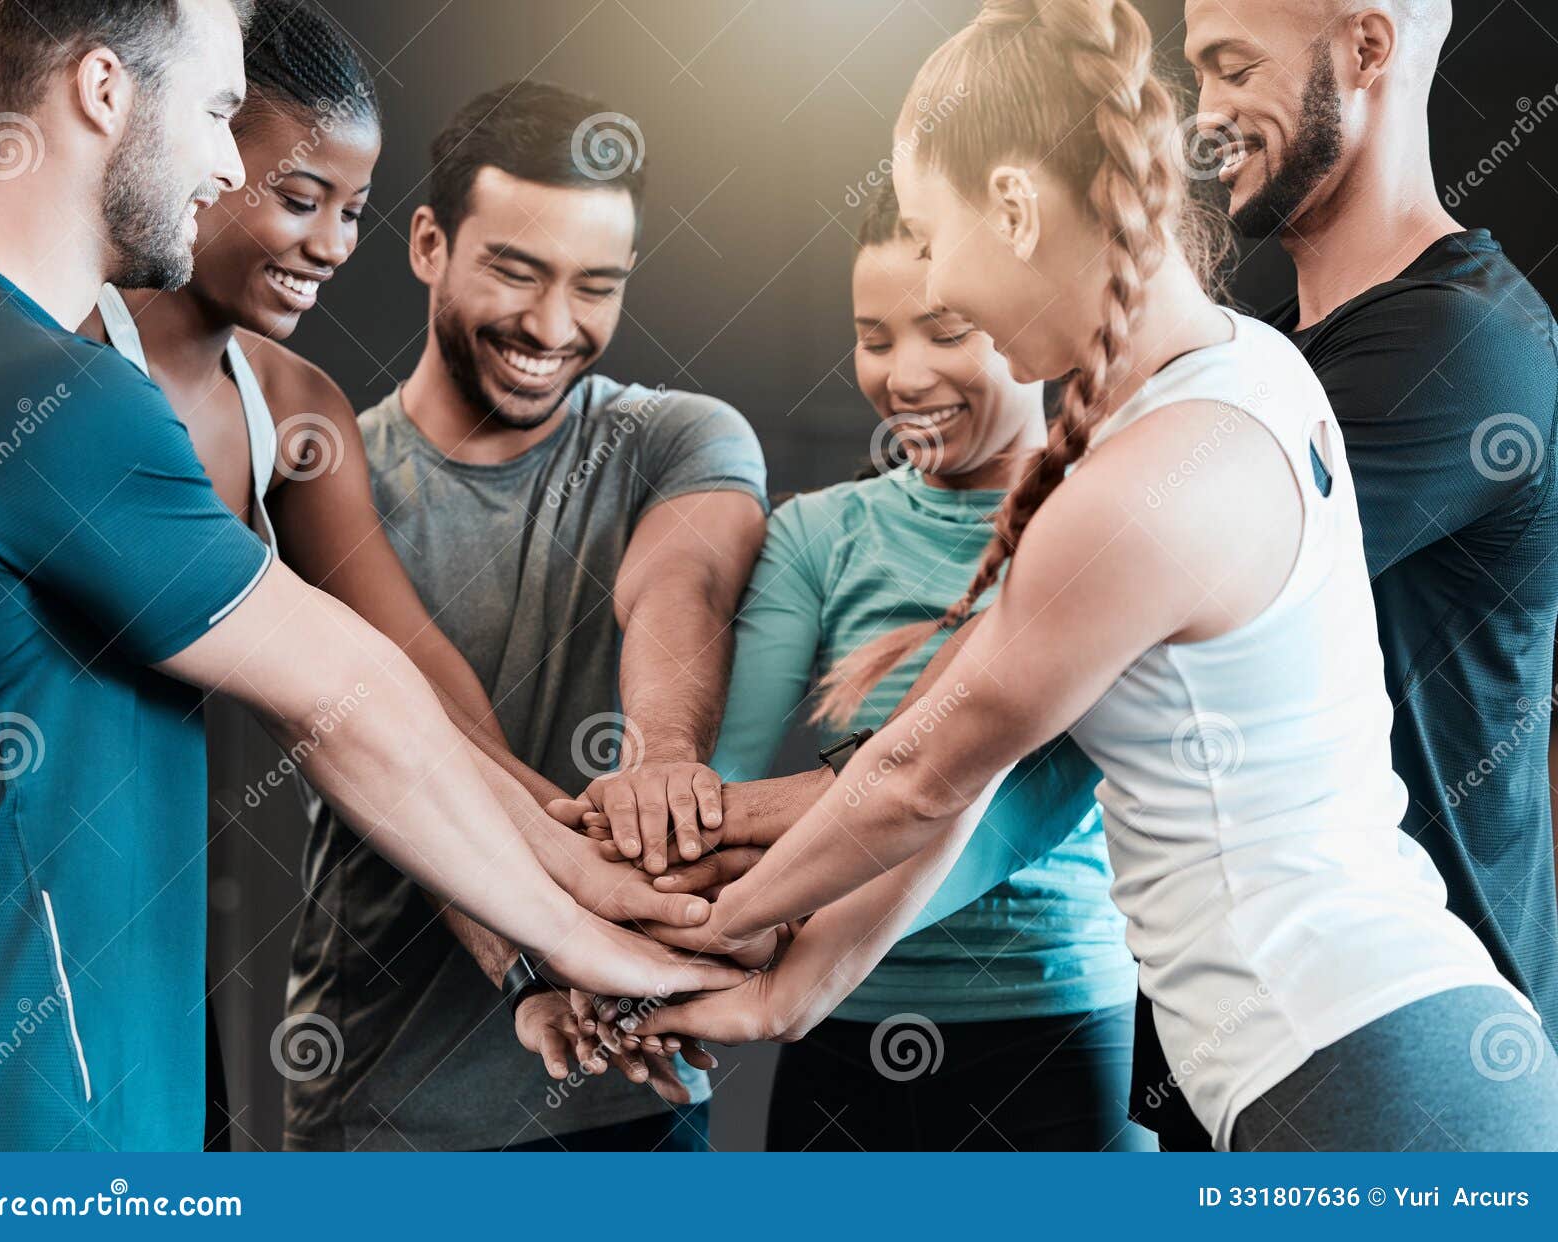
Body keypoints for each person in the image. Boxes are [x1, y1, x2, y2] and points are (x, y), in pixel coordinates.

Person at [626, 0, 1558, 1153]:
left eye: (928, 233)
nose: (937, 285)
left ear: (1013, 206)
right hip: (1381, 1061)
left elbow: (920, 774)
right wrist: (794, 987)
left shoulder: (1147, 484)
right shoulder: (1250, 368)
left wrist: (696, 933)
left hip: (1370, 1082)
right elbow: (960, 774)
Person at [0, 0, 738, 1153]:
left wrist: (561, 906)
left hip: (119, 1050)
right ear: (106, 93)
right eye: (221, 117)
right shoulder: (45, 388)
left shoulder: (117, 385)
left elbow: (385, 688)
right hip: (52, 1110)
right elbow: (350, 699)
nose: (223, 161)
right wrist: (592, 939)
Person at [280, 81, 770, 1153]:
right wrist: (539, 960)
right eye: (515, 269)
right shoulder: (323, 478)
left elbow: (679, 586)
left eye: (595, 286)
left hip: (630, 1098)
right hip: (382, 1106)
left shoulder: (678, 437)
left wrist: (664, 758)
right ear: (425, 244)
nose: (553, 326)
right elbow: (397, 756)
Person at [1113, 0, 1558, 1150]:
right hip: (1246, 1064)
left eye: (1230, 67)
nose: (1203, 114)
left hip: (1414, 1065)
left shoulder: (1463, 350)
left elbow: (1096, 643)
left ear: (1366, 49)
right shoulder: (1261, 364)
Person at [704, 180, 1143, 1152]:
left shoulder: (1106, 522)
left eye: (945, 331)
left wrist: (782, 943)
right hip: (839, 1051)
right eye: (874, 336)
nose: (903, 375)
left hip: (1060, 1035)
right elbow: (723, 781)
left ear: (1018, 319)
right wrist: (663, 950)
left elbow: (1012, 804)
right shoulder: (819, 533)